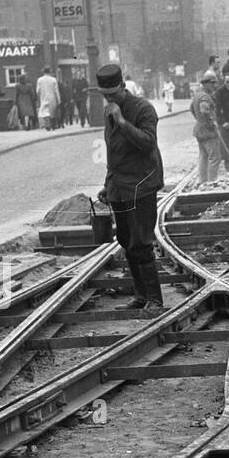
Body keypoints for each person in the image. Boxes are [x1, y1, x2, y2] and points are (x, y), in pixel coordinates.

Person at [95, 63, 164, 312]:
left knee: (141, 242)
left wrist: (122, 121)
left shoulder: (143, 109)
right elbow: (113, 151)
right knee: (125, 240)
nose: (109, 100)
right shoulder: (109, 112)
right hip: (119, 185)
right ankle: (141, 296)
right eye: (105, 96)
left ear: (123, 87)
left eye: (113, 95)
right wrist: (107, 183)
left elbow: (147, 143)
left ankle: (155, 299)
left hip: (142, 184)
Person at [190, 70, 225, 183]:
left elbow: (192, 108)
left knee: (203, 157)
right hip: (208, 131)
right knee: (214, 158)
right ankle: (211, 182)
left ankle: (203, 182)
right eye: (212, 83)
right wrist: (211, 123)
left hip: (199, 130)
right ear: (205, 84)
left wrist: (199, 119)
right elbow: (204, 110)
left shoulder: (198, 95)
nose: (215, 85)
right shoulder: (205, 97)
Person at [36, 67, 61, 132]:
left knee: (44, 112)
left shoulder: (40, 80)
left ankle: (47, 125)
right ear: (50, 72)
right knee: (52, 112)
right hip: (52, 97)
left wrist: (38, 97)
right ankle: (53, 125)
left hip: (43, 97)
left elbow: (37, 90)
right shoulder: (53, 79)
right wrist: (58, 99)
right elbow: (56, 90)